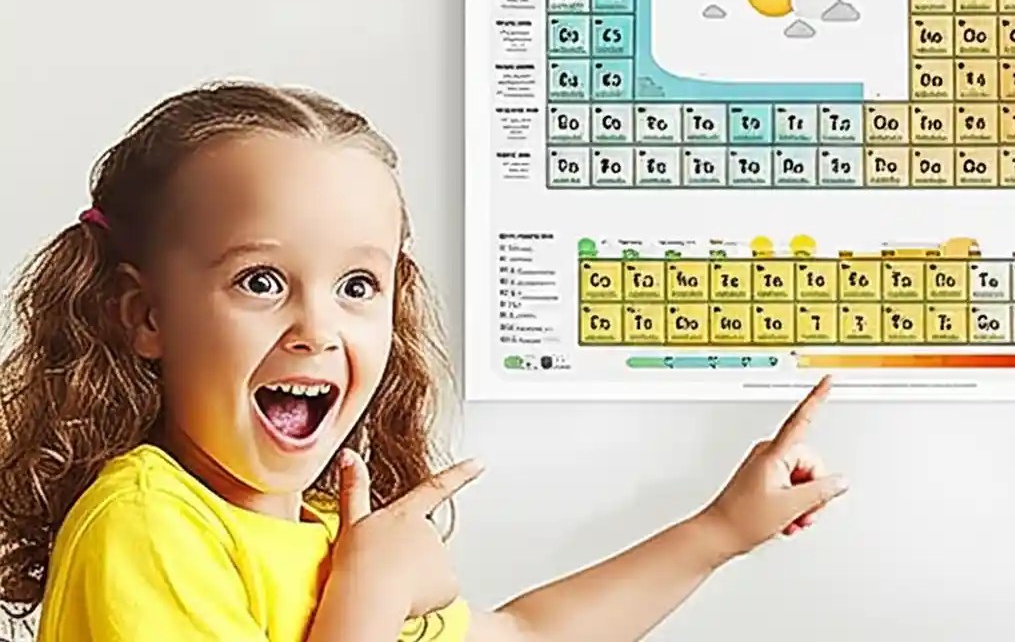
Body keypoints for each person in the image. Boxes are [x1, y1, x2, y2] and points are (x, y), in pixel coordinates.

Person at [0, 80, 848, 641]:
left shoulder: (331, 536)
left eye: (358, 284)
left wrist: (722, 529)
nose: (318, 329)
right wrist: (364, 605)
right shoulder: (148, 527)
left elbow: (521, 635)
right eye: (261, 281)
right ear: (145, 316)